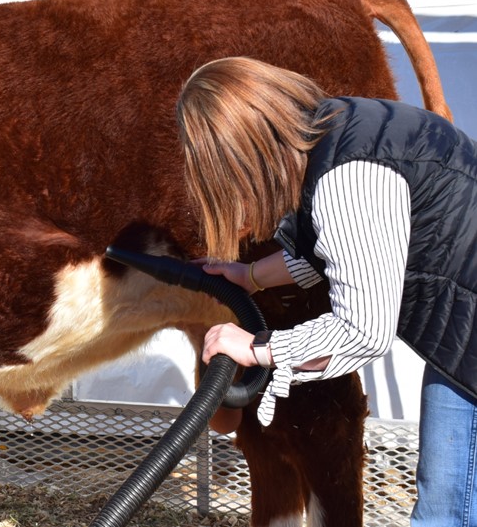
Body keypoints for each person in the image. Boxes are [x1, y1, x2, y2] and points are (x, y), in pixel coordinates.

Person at [175, 56, 477, 526]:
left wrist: (259, 348)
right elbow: (336, 252)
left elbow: (363, 331)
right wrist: (249, 277)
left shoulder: (345, 176)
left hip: (471, 328)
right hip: (467, 321)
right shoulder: (338, 128)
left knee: (448, 510)